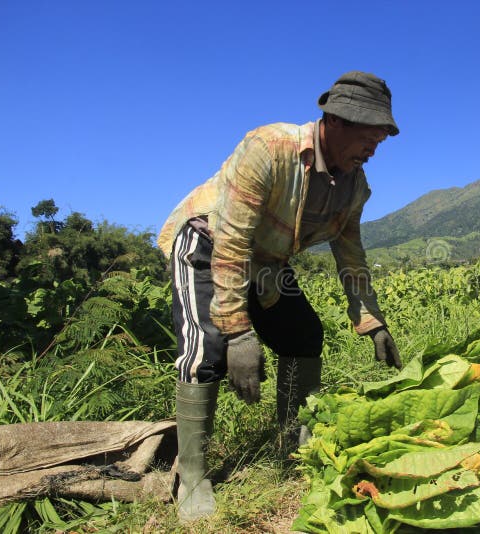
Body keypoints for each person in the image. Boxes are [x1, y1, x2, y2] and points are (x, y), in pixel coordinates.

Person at [156, 71, 403, 522]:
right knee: (207, 351)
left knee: (303, 334)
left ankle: (293, 442)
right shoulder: (269, 148)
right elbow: (231, 242)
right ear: (335, 121)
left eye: (379, 141)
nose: (373, 149)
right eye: (368, 137)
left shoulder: (354, 186)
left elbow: (351, 256)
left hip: (267, 263)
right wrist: (237, 333)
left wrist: (372, 321)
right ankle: (192, 475)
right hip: (208, 244)